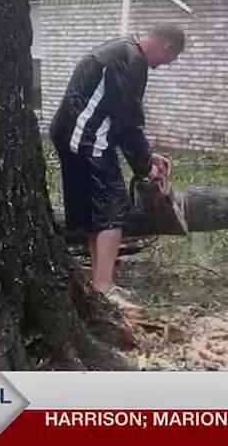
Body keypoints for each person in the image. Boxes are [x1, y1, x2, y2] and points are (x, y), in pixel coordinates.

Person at [49, 25, 185, 308]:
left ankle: (100, 282)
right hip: (86, 138)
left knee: (93, 212)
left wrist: (147, 156)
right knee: (113, 209)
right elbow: (128, 121)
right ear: (167, 47)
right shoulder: (131, 60)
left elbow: (119, 116)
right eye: (167, 62)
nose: (161, 67)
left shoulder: (120, 49)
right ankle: (104, 286)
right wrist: (145, 166)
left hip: (72, 134)